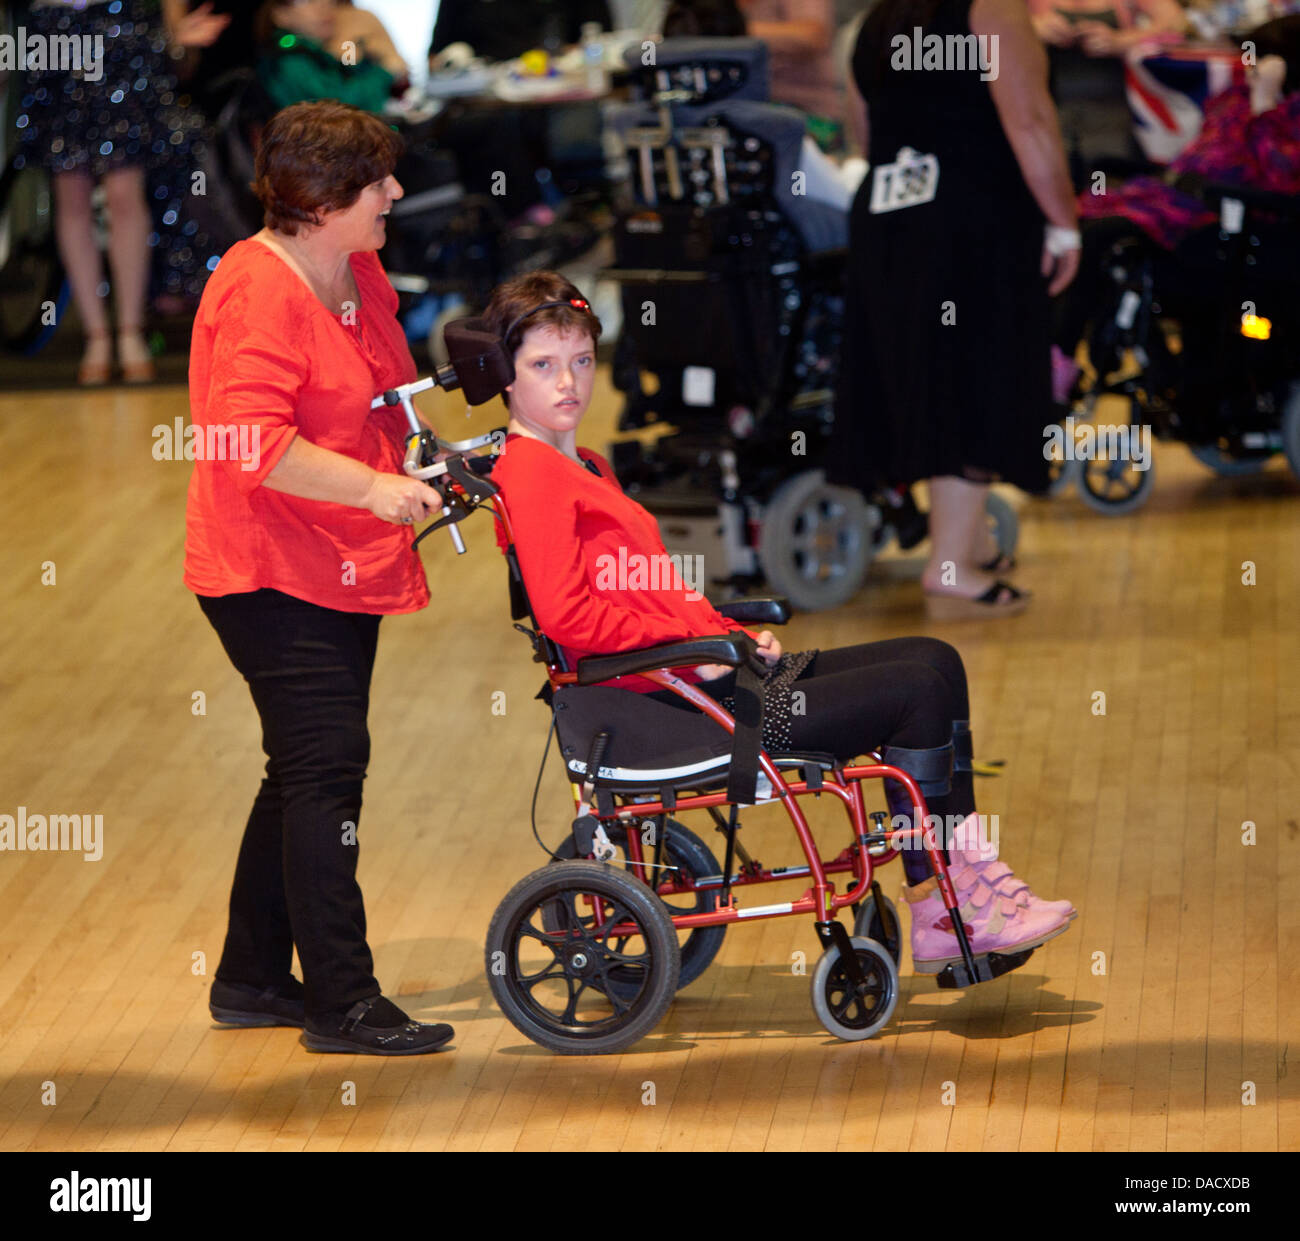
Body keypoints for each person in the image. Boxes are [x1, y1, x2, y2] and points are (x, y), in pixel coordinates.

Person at [484, 270, 1076, 975]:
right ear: (504, 374)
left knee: (935, 658)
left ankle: (966, 876)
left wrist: (722, 624)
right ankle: (940, 902)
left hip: (701, 671)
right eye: (543, 366)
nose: (568, 383)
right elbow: (569, 616)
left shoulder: (584, 462)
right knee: (914, 694)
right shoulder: (532, 475)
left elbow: (650, 588)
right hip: (676, 707)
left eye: (581, 361)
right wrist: (699, 647)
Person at [185, 101, 455, 1055]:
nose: (396, 193)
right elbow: (251, 443)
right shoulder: (258, 289)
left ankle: (253, 976)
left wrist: (426, 460)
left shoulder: (356, 268)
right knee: (328, 767)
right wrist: (378, 488)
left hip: (337, 557)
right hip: (264, 567)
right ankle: (343, 998)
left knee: (301, 768)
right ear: (321, 199)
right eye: (378, 181)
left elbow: (384, 392)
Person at [827, 0, 1080, 619]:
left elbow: (865, 129)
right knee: (974, 377)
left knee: (921, 378)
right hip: (972, 219)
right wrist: (1066, 222)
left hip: (889, 219)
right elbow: (1030, 120)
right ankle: (951, 567)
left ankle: (964, 544)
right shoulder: (991, 10)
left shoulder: (872, 23)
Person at [1052, 15, 1300, 394]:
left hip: (1237, 225)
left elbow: (1276, 178)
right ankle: (1056, 351)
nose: (1249, 66)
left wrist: (1266, 103)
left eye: (1260, 60)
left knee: (1104, 235)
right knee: (1072, 223)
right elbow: (1200, 158)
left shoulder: (1285, 118)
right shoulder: (1235, 99)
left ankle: (1059, 360)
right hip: (1183, 202)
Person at [16, 0, 228, 384]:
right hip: (55, 37)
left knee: (123, 192)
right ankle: (96, 334)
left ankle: (130, 331)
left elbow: (177, 37)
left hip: (123, 39)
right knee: (71, 193)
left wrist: (173, 37)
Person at [1028, 1, 1187, 177]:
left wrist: (1121, 41)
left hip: (1113, 117)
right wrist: (1031, 27)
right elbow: (995, 30)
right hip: (1048, 115)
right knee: (1054, 186)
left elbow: (1177, 23)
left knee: (1103, 188)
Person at [255, 0, 396, 113]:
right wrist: (385, 72)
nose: (324, 5)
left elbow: (347, 79)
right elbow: (340, 110)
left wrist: (359, 53)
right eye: (309, 1)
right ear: (280, 14)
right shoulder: (288, 60)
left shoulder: (317, 52)